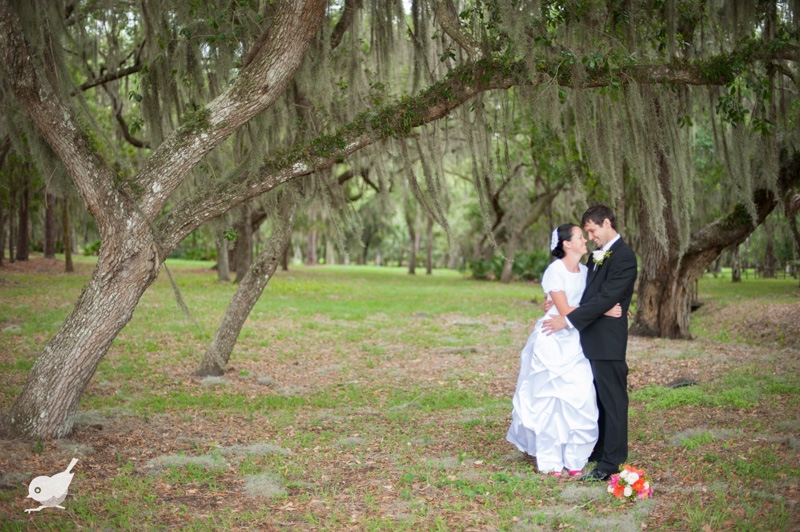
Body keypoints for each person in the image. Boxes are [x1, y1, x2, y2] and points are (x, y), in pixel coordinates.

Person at [506, 223, 622, 477]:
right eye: (581, 237)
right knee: (551, 402)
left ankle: (575, 459)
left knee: (580, 398)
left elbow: (590, 301)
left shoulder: (586, 270)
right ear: (566, 244)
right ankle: (549, 461)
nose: (586, 241)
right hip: (553, 340)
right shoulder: (554, 272)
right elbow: (566, 310)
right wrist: (604, 311)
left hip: (577, 342)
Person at [542, 205, 638, 482]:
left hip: (608, 340)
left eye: (593, 230)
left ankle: (612, 462)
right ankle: (600, 449)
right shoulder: (598, 256)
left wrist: (568, 320)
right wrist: (555, 302)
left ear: (607, 223)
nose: (591, 237)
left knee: (614, 401)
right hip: (591, 337)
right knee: (599, 400)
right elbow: (589, 294)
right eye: (586, 233)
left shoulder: (623, 256)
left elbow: (608, 296)